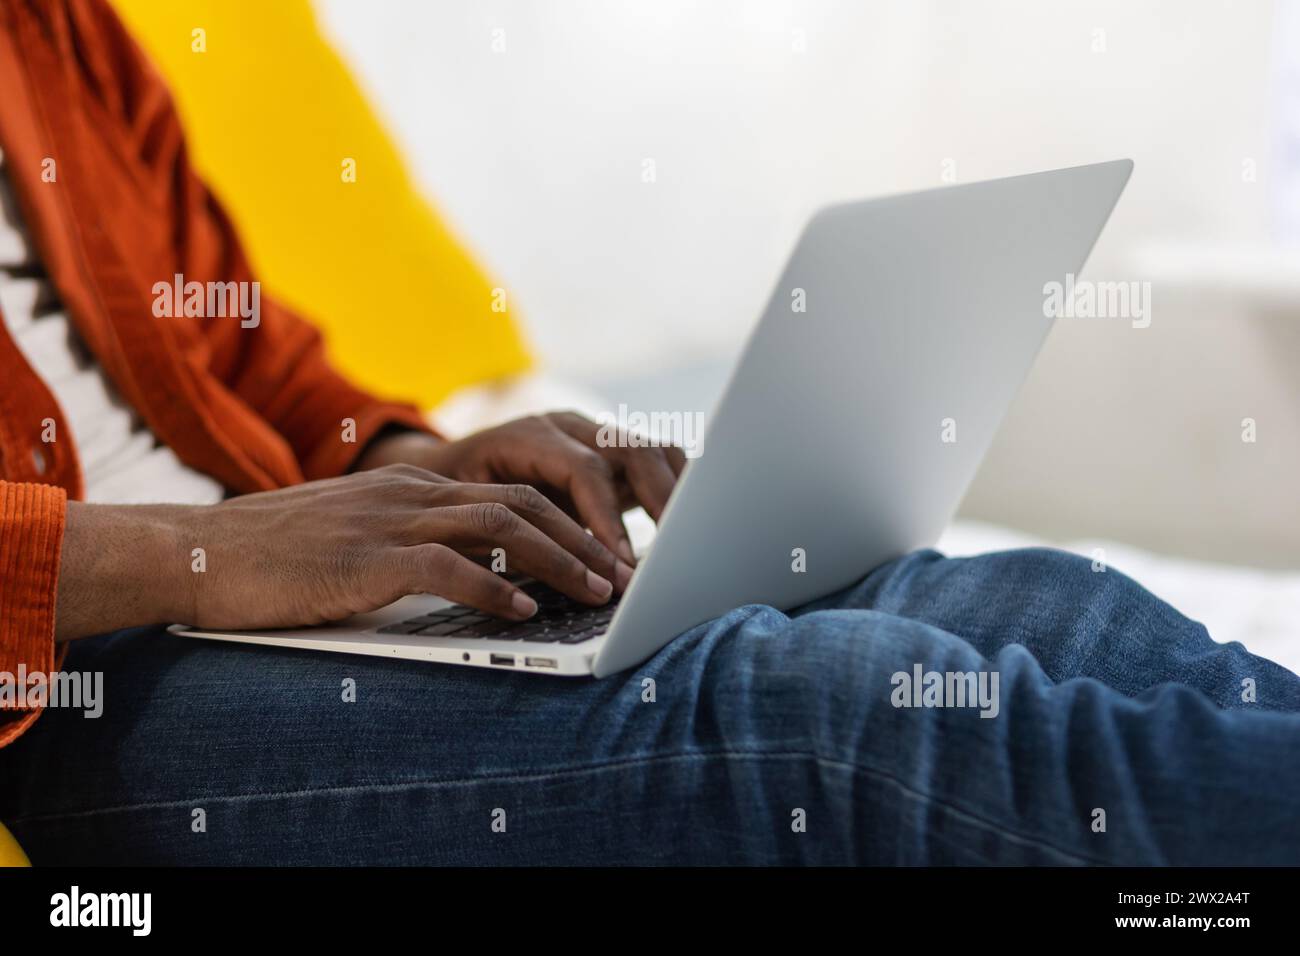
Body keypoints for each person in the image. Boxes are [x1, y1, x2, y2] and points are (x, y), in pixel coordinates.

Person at [0, 0, 1297, 866]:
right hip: (72, 676)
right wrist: (214, 551)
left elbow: (234, 347)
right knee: (813, 714)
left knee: (1030, 607)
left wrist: (417, 480)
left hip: (255, 572)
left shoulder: (56, 29)